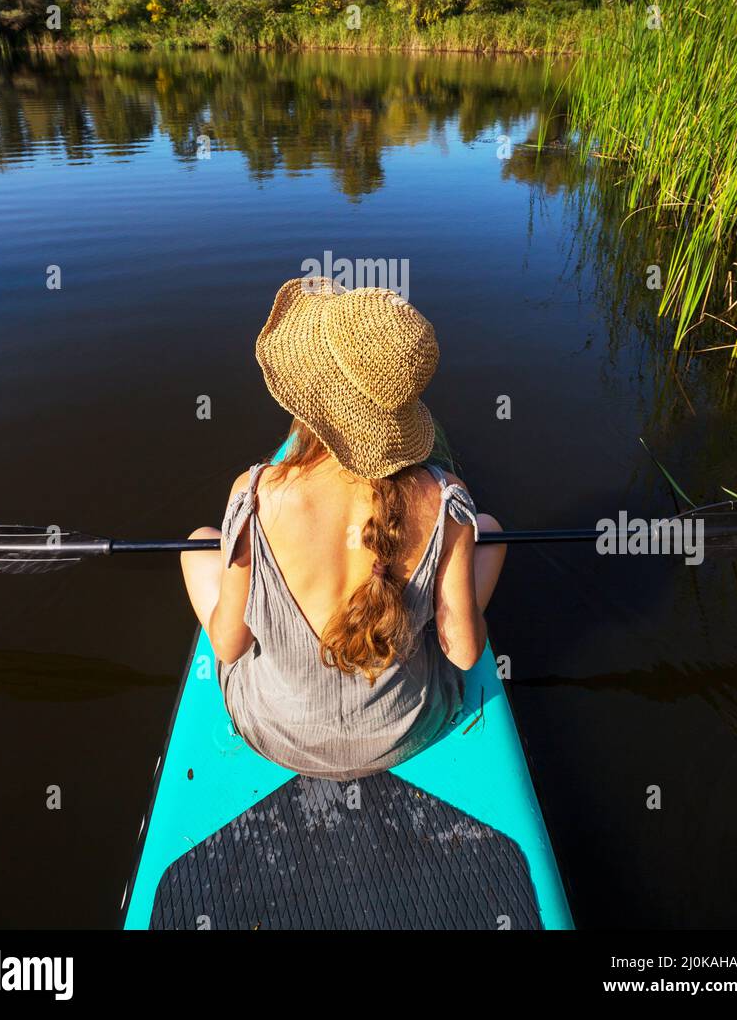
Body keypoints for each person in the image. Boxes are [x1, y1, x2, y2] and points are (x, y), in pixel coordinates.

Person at [181, 276, 506, 779]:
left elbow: (229, 647)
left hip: (276, 731)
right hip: (407, 730)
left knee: (198, 544)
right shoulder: (445, 500)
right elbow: (464, 654)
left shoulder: (256, 492)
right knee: (489, 528)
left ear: (309, 398)